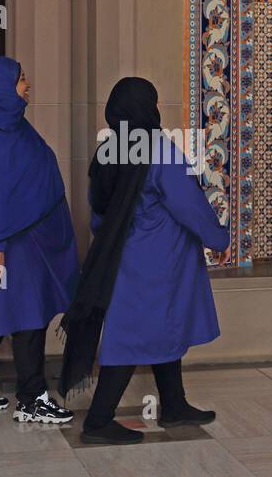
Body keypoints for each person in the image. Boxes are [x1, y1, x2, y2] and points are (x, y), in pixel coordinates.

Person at [58, 77, 229, 443]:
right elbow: (189, 205)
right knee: (133, 336)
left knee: (160, 328)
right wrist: (218, 238)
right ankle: (99, 421)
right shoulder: (161, 152)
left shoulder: (107, 150)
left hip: (122, 257)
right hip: (159, 263)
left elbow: (99, 215)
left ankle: (174, 405)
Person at [0, 56, 78, 422]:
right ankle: (32, 398)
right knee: (27, 315)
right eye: (21, 79)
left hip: (22, 240)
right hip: (7, 245)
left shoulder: (11, 125)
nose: (28, 84)